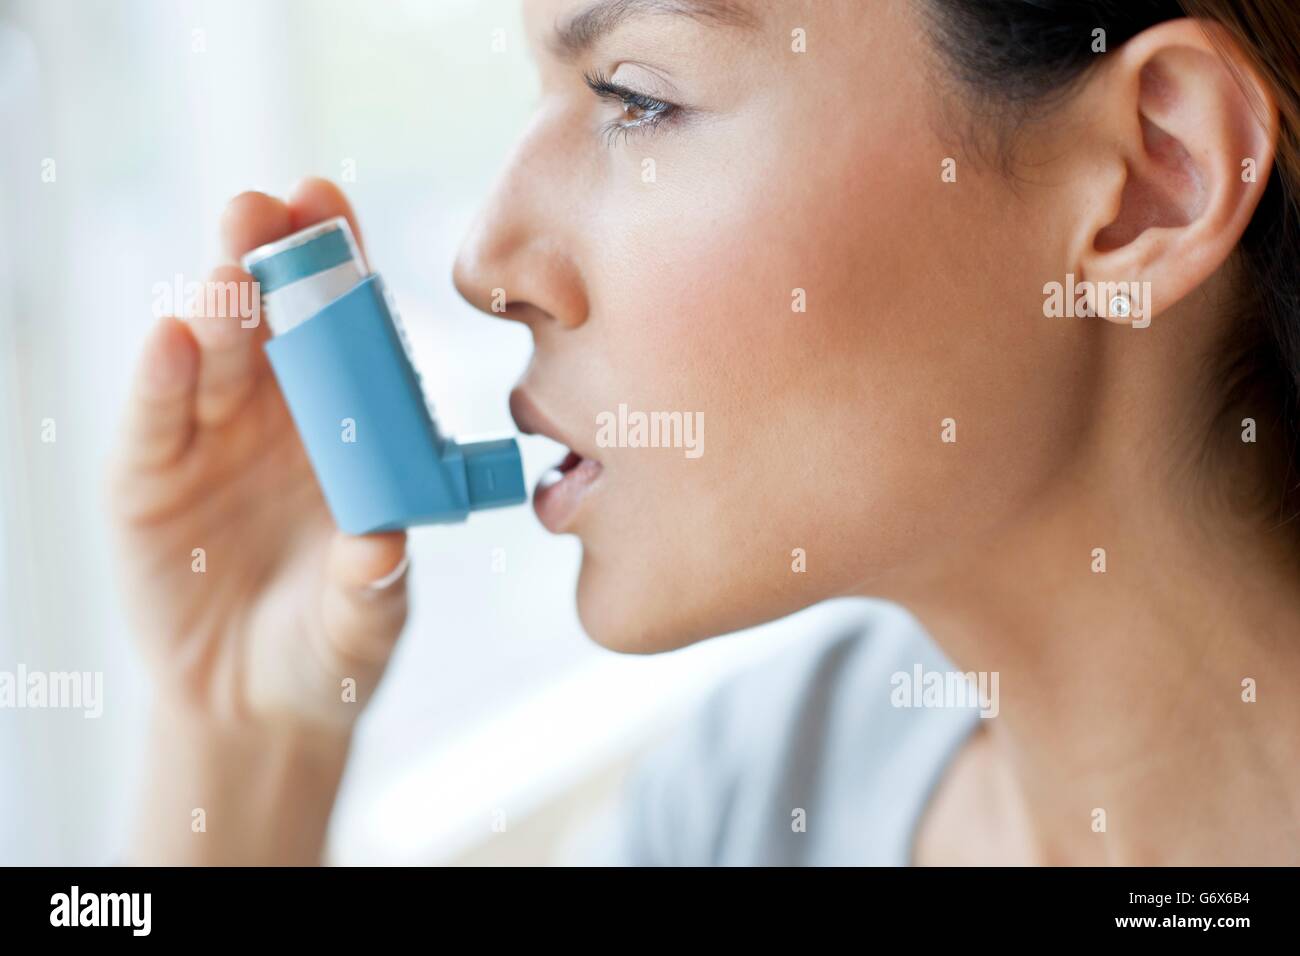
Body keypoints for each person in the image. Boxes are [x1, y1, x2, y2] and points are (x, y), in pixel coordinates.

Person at [110, 0, 1300, 865]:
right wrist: (245, 749)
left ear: (1155, 180)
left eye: (638, 97)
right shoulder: (753, 796)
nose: (484, 266)